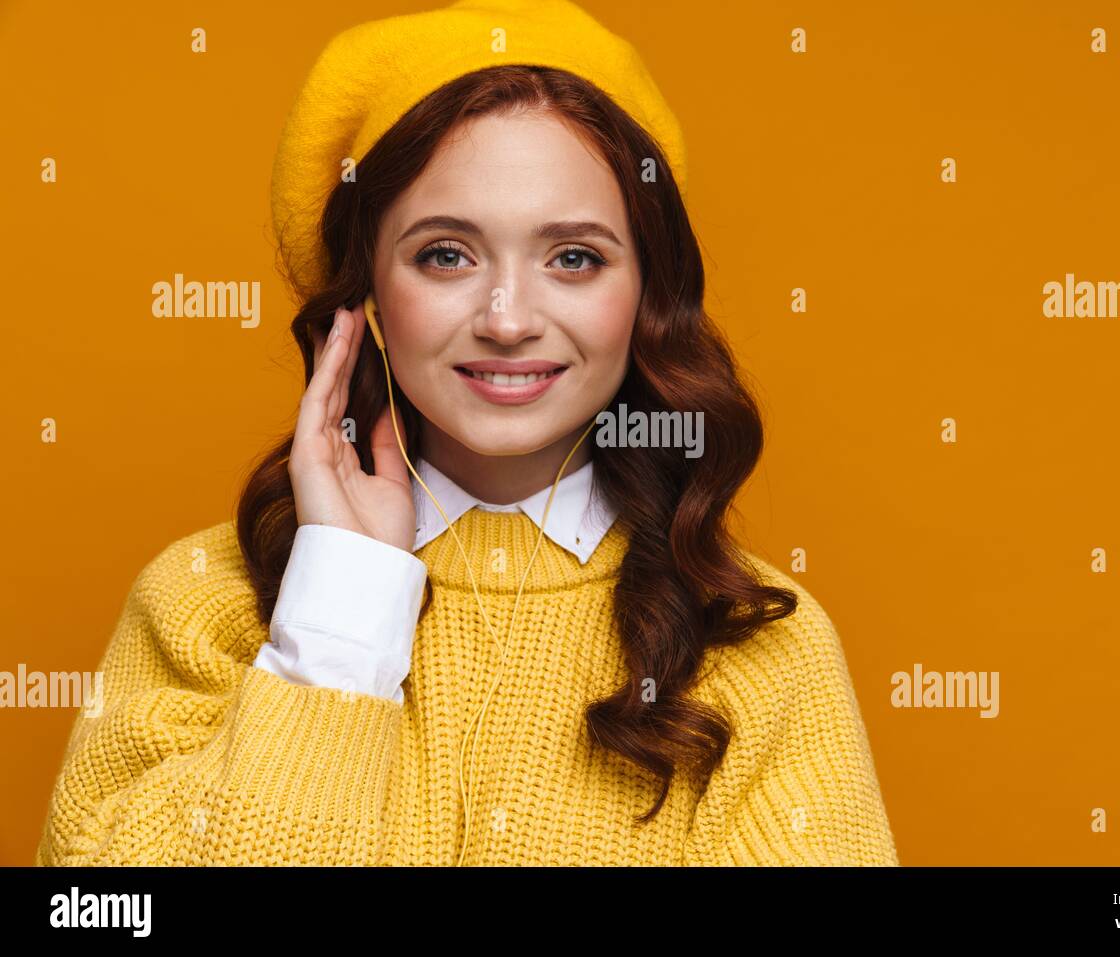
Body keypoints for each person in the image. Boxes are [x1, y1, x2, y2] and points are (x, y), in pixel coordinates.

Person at [35, 0, 900, 866]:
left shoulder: (756, 643)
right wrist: (341, 610)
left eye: (575, 257)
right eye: (446, 253)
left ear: (647, 292)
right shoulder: (202, 605)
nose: (508, 318)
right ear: (365, 291)